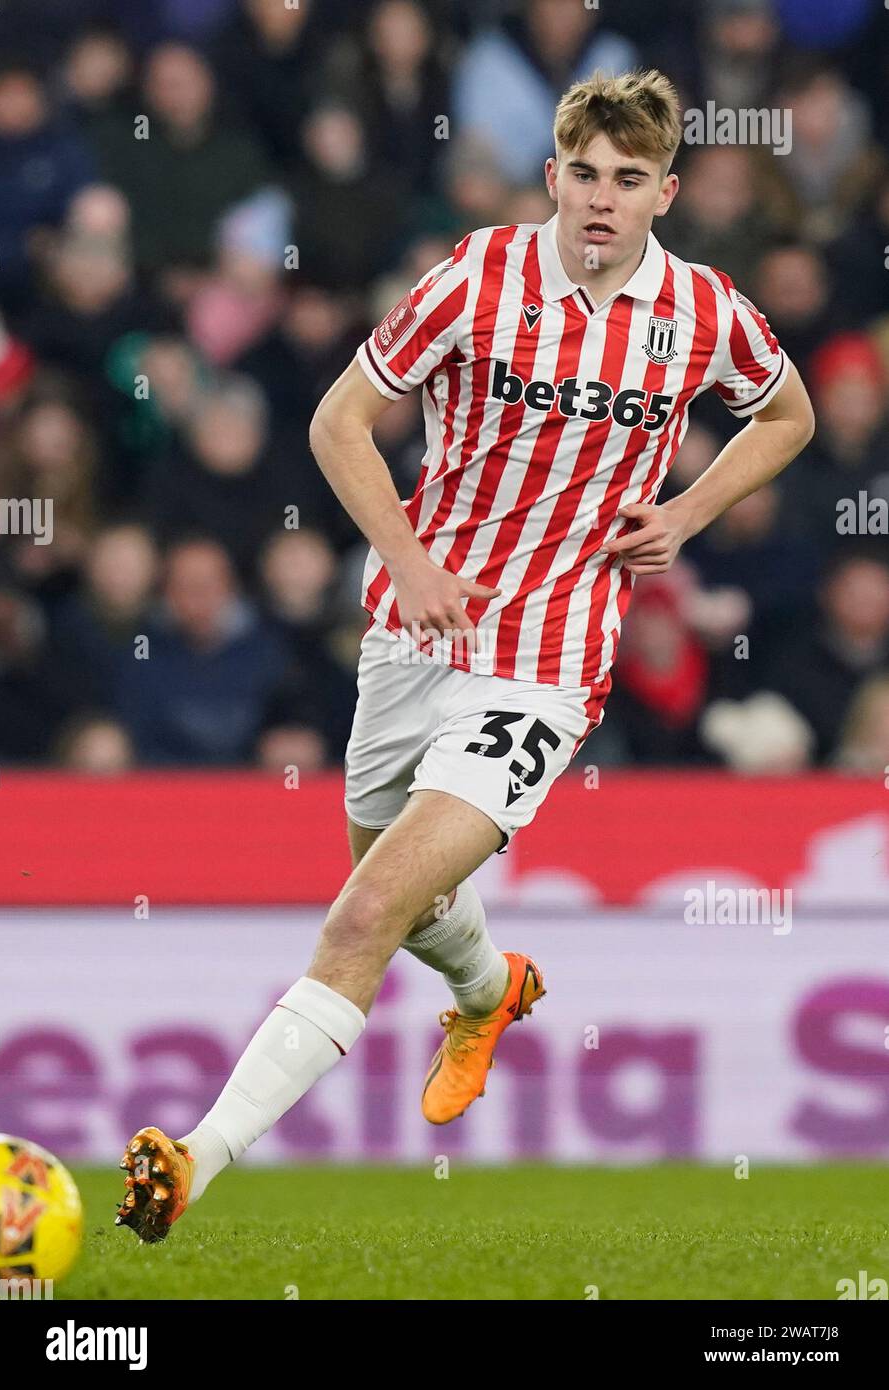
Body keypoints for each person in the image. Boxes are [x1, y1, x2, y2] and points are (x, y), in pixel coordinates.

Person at [115, 68, 815, 1241]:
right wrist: (412, 559)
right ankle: (489, 992)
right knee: (403, 897)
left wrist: (686, 514)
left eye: (627, 180)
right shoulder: (473, 278)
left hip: (546, 660)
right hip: (412, 630)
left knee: (363, 910)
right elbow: (337, 419)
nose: (601, 199)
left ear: (665, 192)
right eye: (583, 174)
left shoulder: (703, 314)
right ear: (552, 176)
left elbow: (785, 411)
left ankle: (193, 1157)